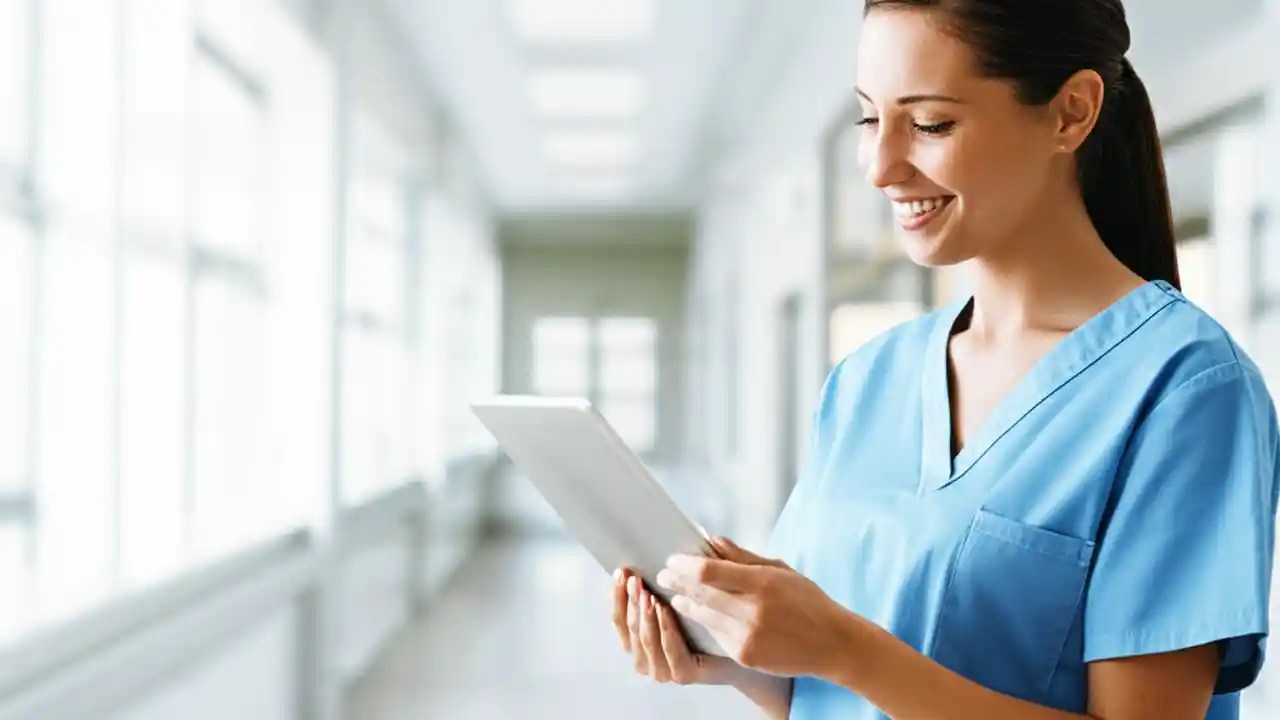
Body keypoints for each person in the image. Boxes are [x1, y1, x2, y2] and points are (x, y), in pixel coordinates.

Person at [606, 1, 1280, 718]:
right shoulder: (868, 379)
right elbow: (828, 698)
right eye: (870, 119)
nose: (879, 167)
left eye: (930, 123)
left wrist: (845, 646)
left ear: (1070, 113)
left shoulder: (1184, 388)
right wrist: (741, 657)